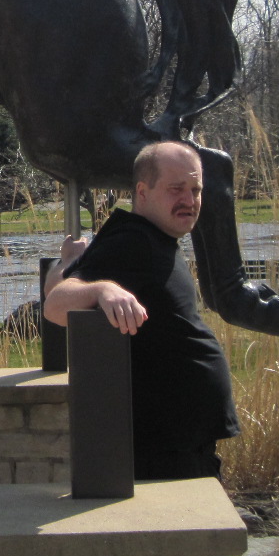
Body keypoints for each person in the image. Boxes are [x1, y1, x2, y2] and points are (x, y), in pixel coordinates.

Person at [42, 139, 239, 480]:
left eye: (196, 189)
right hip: (165, 449)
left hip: (181, 440)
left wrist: (69, 265)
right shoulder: (133, 242)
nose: (189, 201)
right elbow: (56, 305)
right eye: (176, 189)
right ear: (142, 192)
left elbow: (66, 280)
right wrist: (104, 289)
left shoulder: (148, 238)